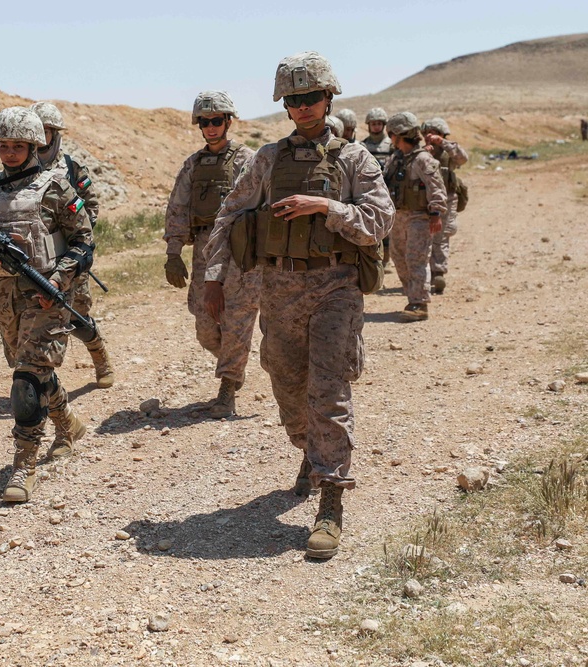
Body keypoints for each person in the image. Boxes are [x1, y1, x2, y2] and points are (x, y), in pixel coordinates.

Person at [203, 52, 394, 559]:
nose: (303, 107)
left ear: (329, 98)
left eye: (311, 98)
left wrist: (325, 206)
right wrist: (213, 275)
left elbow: (379, 220)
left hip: (336, 287)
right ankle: (311, 453)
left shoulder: (355, 159)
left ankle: (331, 502)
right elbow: (230, 213)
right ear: (285, 106)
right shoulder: (267, 159)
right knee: (288, 389)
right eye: (294, 100)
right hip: (280, 288)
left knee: (328, 389)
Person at [0, 107, 93, 498]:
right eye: (3, 145)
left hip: (46, 297)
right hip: (5, 300)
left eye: (18, 145)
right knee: (32, 371)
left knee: (25, 382)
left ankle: (23, 465)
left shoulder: (57, 187)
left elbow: (84, 241)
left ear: (35, 144)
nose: (10, 153)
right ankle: (67, 422)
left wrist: (58, 278)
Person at [164, 91, 260, 418]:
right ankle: (235, 364)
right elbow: (177, 208)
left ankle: (227, 388)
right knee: (205, 325)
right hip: (205, 249)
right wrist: (173, 252)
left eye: (217, 121)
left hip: (242, 248)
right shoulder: (193, 164)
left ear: (228, 122)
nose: (211, 127)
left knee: (237, 319)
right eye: (205, 122)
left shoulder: (250, 160)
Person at [29, 101, 114, 389]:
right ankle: (41, 383)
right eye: (36, 132)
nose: (41, 138)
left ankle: (99, 354)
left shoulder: (70, 167)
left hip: (69, 258)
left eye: (47, 132)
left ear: (55, 135)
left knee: (77, 314)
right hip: (36, 260)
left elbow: (90, 206)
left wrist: (76, 236)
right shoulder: (19, 168)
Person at [384, 112, 447, 321]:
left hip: (419, 217)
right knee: (398, 257)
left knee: (416, 259)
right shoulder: (395, 159)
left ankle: (419, 303)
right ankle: (412, 295)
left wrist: (436, 213)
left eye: (392, 134)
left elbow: (436, 187)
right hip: (399, 217)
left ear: (399, 134)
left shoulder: (422, 159)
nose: (390, 138)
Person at [423, 117, 468, 294]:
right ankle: (425, 273)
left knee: (441, 236)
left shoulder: (449, 152)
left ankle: (438, 272)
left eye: (436, 133)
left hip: (447, 199)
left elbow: (463, 158)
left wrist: (444, 143)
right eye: (428, 133)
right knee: (423, 235)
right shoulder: (421, 151)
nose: (431, 136)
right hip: (424, 200)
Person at [360, 108, 394, 267]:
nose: (376, 127)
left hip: (389, 190)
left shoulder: (391, 145)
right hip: (370, 190)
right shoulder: (363, 145)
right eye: (373, 124)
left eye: (379, 124)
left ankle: (387, 258)